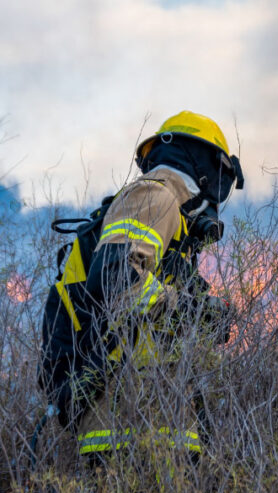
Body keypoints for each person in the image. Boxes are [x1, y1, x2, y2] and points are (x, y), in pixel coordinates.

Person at [38, 110, 243, 458]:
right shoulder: (154, 195)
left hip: (152, 414)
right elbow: (116, 276)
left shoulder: (171, 218)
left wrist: (207, 314)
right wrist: (185, 306)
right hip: (125, 420)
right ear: (210, 170)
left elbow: (157, 301)